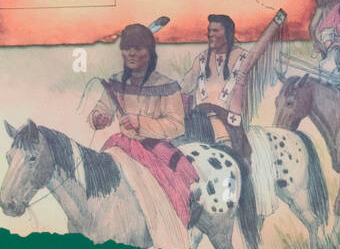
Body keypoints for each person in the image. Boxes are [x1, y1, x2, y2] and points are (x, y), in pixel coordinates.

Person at [89, 23, 195, 227]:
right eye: (127, 48)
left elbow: (177, 126)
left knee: (172, 191)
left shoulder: (167, 85)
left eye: (137, 48)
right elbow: (104, 108)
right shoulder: (116, 82)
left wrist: (141, 123)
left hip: (155, 149)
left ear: (150, 52)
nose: (131, 53)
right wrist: (98, 117)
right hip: (121, 145)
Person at [180, 13, 251, 159]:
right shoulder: (201, 59)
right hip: (199, 123)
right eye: (209, 31)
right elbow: (184, 88)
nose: (210, 34)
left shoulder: (244, 58)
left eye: (215, 31)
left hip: (228, 125)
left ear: (228, 33)